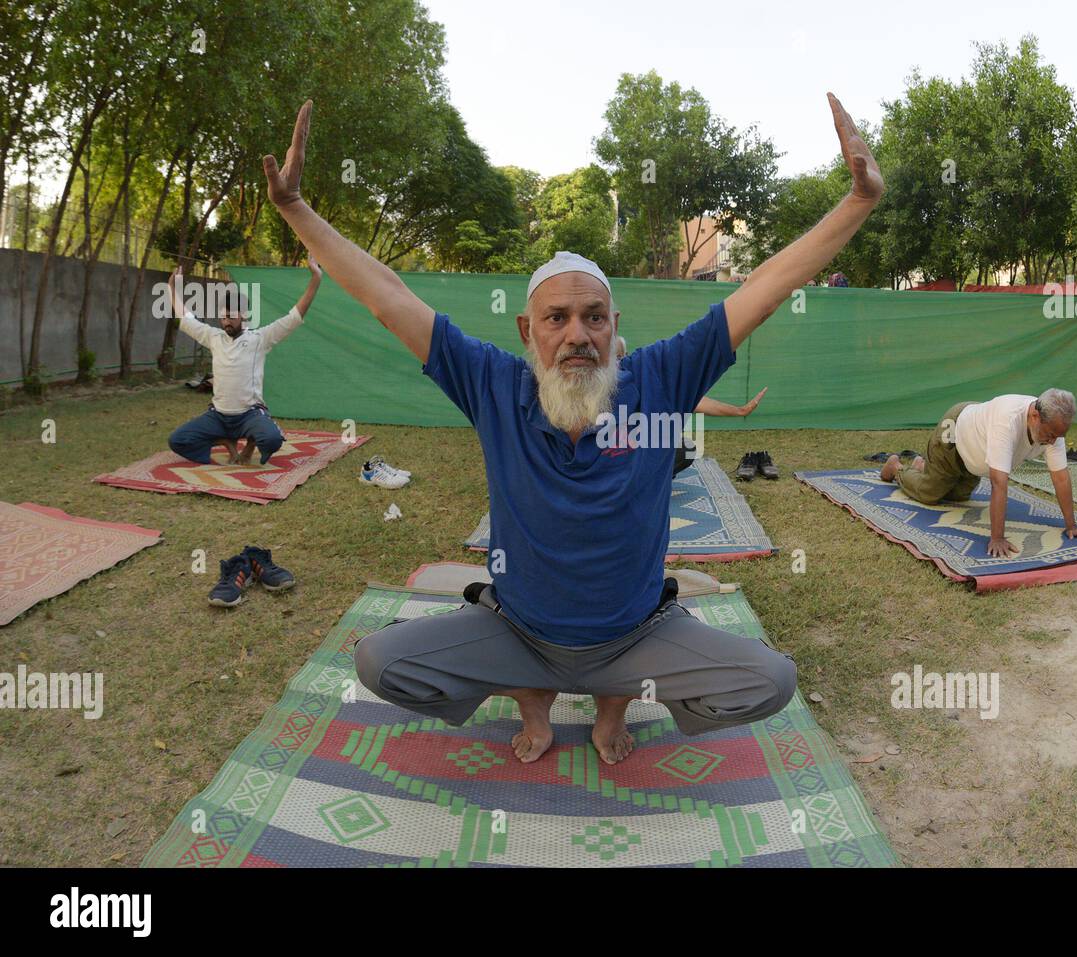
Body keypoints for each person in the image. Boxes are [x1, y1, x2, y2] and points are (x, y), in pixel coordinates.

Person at [261, 93, 883, 764]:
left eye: (594, 316)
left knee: (771, 679)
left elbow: (764, 287)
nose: (578, 334)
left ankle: (615, 706)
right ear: (529, 332)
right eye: (557, 318)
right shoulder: (494, 384)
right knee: (381, 661)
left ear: (616, 329)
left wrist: (857, 202)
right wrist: (296, 209)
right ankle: (532, 700)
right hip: (521, 632)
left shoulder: (662, 378)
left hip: (635, 636)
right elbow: (388, 297)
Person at [879, 390, 1077, 557]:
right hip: (955, 433)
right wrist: (997, 538)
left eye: (1059, 436)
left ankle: (923, 467)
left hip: (975, 452)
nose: (1054, 442)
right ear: (1034, 416)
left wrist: (1071, 525)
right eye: (1050, 435)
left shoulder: (1053, 424)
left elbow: (1061, 477)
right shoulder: (1007, 421)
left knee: (958, 497)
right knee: (931, 493)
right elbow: (999, 483)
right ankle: (896, 467)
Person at [166, 260, 320, 465]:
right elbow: (186, 318)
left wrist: (316, 279)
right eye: (222, 318)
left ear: (244, 315)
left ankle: (250, 444)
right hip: (219, 416)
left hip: (250, 414)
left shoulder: (260, 339)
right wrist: (171, 288)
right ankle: (226, 441)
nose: (226, 322)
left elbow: (294, 316)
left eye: (231, 316)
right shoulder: (213, 337)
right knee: (178, 440)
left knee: (272, 440)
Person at [616, 334, 769, 475]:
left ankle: (644, 481)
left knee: (684, 449)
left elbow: (697, 402)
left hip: (637, 453)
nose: (621, 360)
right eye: (616, 357)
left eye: (622, 355)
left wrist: (739, 411)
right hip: (610, 457)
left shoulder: (640, 377)